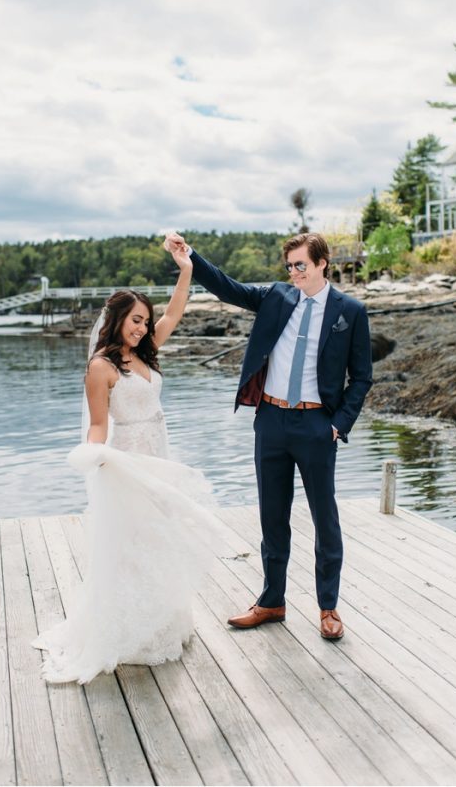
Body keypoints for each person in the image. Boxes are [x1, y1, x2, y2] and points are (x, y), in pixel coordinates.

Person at [163, 231, 372, 640]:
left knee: (324, 519)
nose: (294, 273)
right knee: (272, 518)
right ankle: (272, 601)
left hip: (317, 427)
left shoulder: (350, 311)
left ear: (322, 263)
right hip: (272, 422)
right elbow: (227, 287)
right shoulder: (277, 296)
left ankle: (328, 607)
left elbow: (362, 377)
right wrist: (189, 256)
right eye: (290, 265)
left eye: (301, 265)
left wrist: (337, 425)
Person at [32, 243, 220, 683]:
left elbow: (174, 313)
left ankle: (160, 622)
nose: (143, 327)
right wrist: (97, 460)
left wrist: (186, 270)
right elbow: (98, 426)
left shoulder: (147, 350)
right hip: (130, 461)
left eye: (145, 321)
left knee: (160, 538)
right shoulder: (101, 367)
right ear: (116, 319)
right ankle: (128, 632)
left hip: (159, 454)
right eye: (136, 320)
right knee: (134, 544)